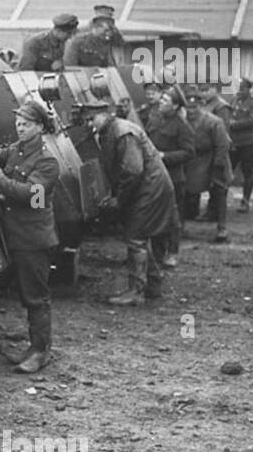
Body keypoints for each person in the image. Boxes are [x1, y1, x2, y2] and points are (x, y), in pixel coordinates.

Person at [0, 96, 61, 372]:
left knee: (36, 297)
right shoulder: (20, 150)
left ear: (40, 127)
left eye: (27, 124)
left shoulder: (47, 162)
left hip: (33, 240)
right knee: (17, 290)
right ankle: (34, 348)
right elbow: (2, 153)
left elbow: (32, 196)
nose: (20, 127)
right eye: (18, 123)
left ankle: (40, 352)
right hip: (15, 237)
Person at [76, 95, 178, 305]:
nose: (88, 124)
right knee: (139, 236)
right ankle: (152, 285)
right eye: (85, 120)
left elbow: (132, 170)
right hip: (147, 186)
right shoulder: (110, 130)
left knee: (136, 237)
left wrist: (118, 200)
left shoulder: (122, 132)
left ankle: (136, 291)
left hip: (149, 188)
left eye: (91, 119)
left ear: (105, 114)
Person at [143, 85, 195, 267]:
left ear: (174, 106)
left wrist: (165, 156)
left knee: (173, 218)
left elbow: (189, 153)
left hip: (173, 178)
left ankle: (172, 252)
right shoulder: (155, 120)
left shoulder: (182, 126)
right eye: (161, 99)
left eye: (165, 100)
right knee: (156, 216)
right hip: (155, 177)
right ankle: (157, 253)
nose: (160, 102)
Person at [182, 86, 233, 242]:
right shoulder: (182, 121)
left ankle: (222, 228)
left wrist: (218, 165)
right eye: (188, 107)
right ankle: (180, 226)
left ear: (201, 105)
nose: (191, 111)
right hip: (192, 161)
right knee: (182, 191)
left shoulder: (213, 121)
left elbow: (223, 144)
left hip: (213, 158)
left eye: (194, 107)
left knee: (220, 191)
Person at [226, 78, 253, 213]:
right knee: (227, 172)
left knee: (248, 173)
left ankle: (245, 201)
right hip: (233, 143)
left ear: (248, 89)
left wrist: (234, 124)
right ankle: (220, 201)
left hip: (247, 144)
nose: (238, 91)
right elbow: (227, 115)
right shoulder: (234, 100)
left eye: (241, 88)